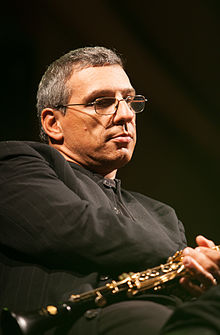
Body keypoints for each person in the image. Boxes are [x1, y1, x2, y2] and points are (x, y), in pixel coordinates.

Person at [0, 46, 220, 335]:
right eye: (102, 102)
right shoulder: (15, 161)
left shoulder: (161, 214)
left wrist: (202, 276)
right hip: (71, 323)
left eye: (129, 101)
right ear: (53, 123)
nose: (125, 115)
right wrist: (184, 255)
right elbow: (76, 227)